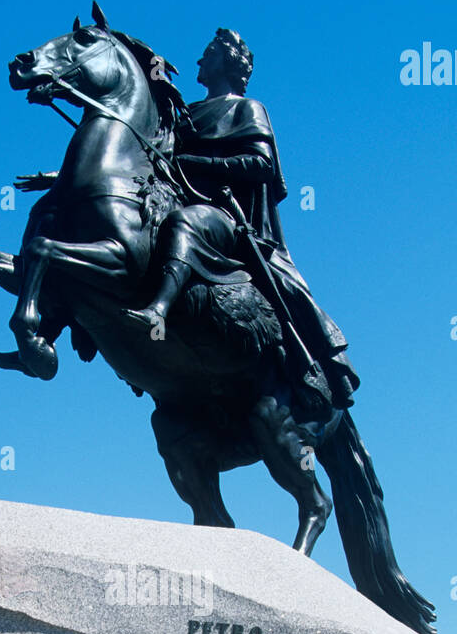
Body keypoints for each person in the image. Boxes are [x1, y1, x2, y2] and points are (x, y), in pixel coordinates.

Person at [124, 29, 359, 411]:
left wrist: (198, 163)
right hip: (176, 203)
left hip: (228, 220)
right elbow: (144, 162)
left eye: (209, 53)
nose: (199, 61)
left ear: (229, 63)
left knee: (186, 224)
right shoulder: (186, 115)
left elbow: (261, 165)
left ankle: (158, 311)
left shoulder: (247, 109)